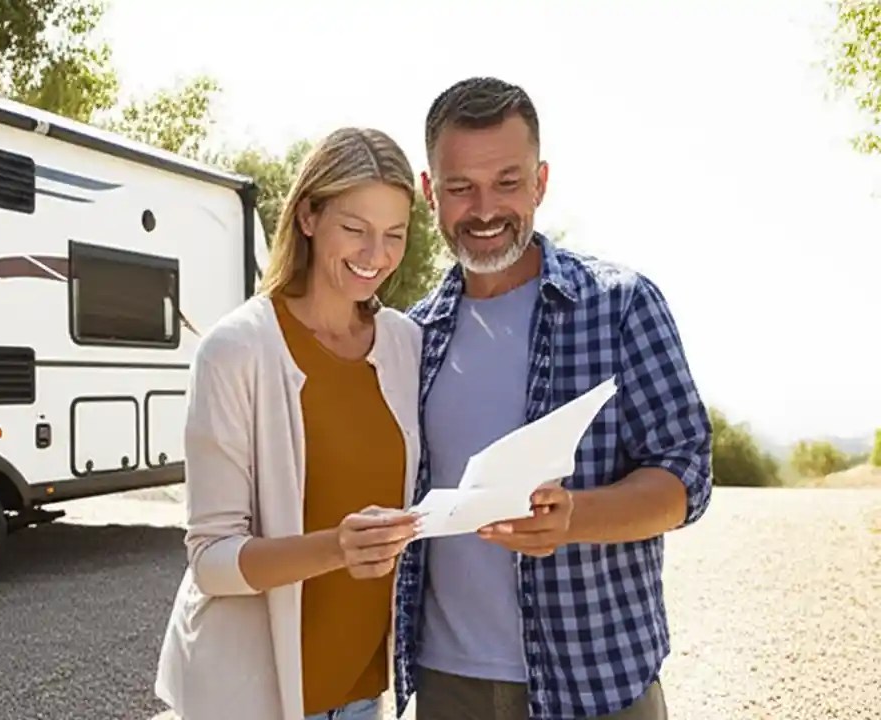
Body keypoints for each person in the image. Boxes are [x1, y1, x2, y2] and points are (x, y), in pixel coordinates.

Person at [392, 77, 714, 720]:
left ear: (539, 182)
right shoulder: (410, 336)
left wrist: (575, 518)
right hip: (447, 684)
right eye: (461, 188)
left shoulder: (621, 305)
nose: (485, 209)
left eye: (507, 183)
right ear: (431, 193)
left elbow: (688, 477)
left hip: (598, 682)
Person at [154, 126, 426, 720]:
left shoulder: (407, 344)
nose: (375, 255)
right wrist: (337, 547)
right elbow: (213, 560)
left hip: (360, 693)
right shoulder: (237, 350)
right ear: (307, 215)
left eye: (394, 235)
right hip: (249, 695)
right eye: (354, 229)